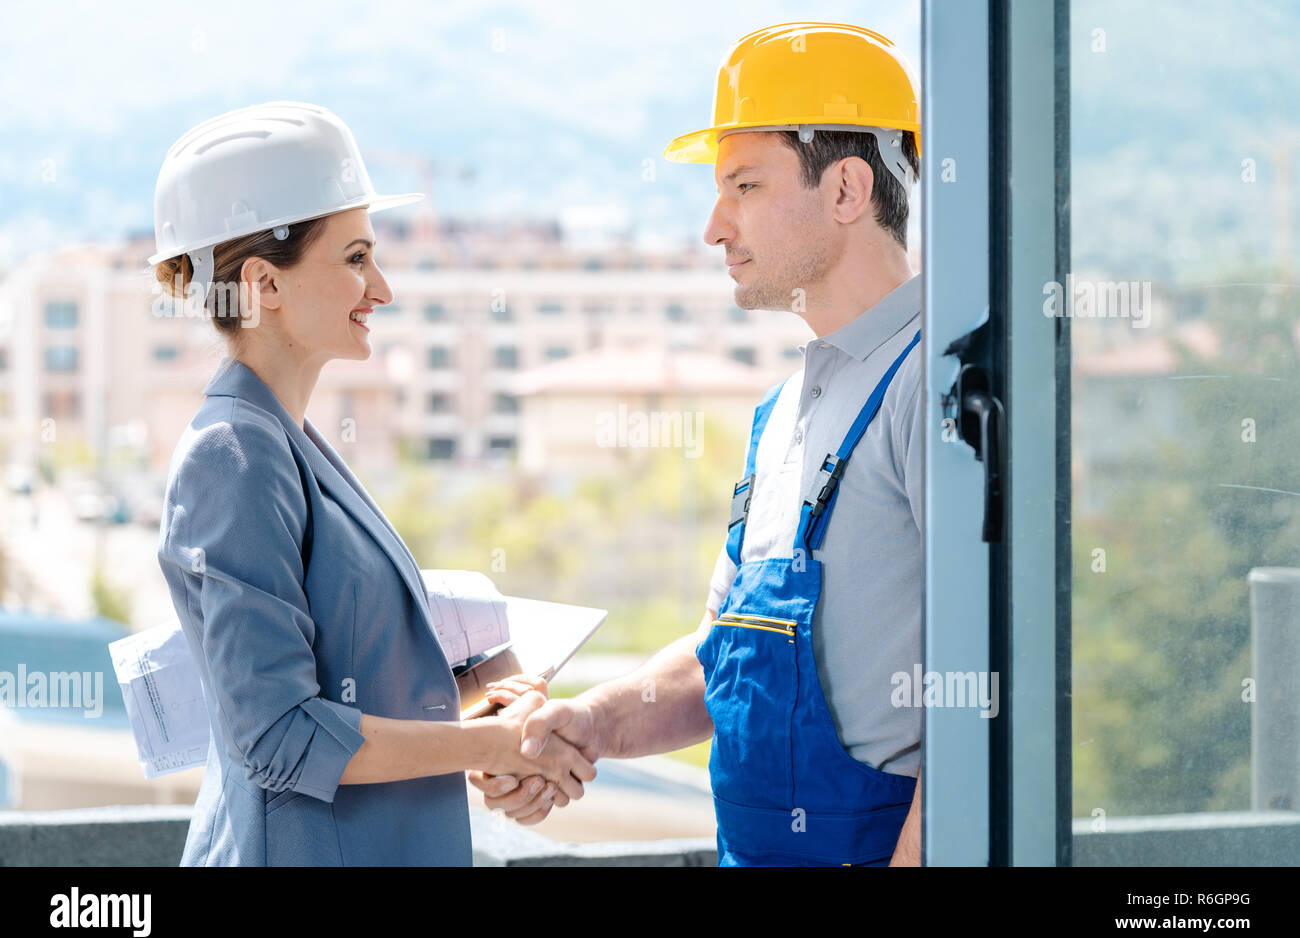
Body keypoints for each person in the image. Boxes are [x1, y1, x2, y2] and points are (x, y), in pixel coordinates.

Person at [472, 22, 925, 866]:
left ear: (847, 189)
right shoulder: (784, 412)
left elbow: (986, 700)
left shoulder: (932, 386)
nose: (714, 227)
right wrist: (591, 721)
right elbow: (730, 651)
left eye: (744, 186)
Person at [151, 102, 594, 866]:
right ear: (265, 283)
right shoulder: (235, 454)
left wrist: (493, 693)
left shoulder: (284, 443)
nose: (380, 287)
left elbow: (349, 679)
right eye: (355, 257)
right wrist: (491, 742)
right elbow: (280, 737)